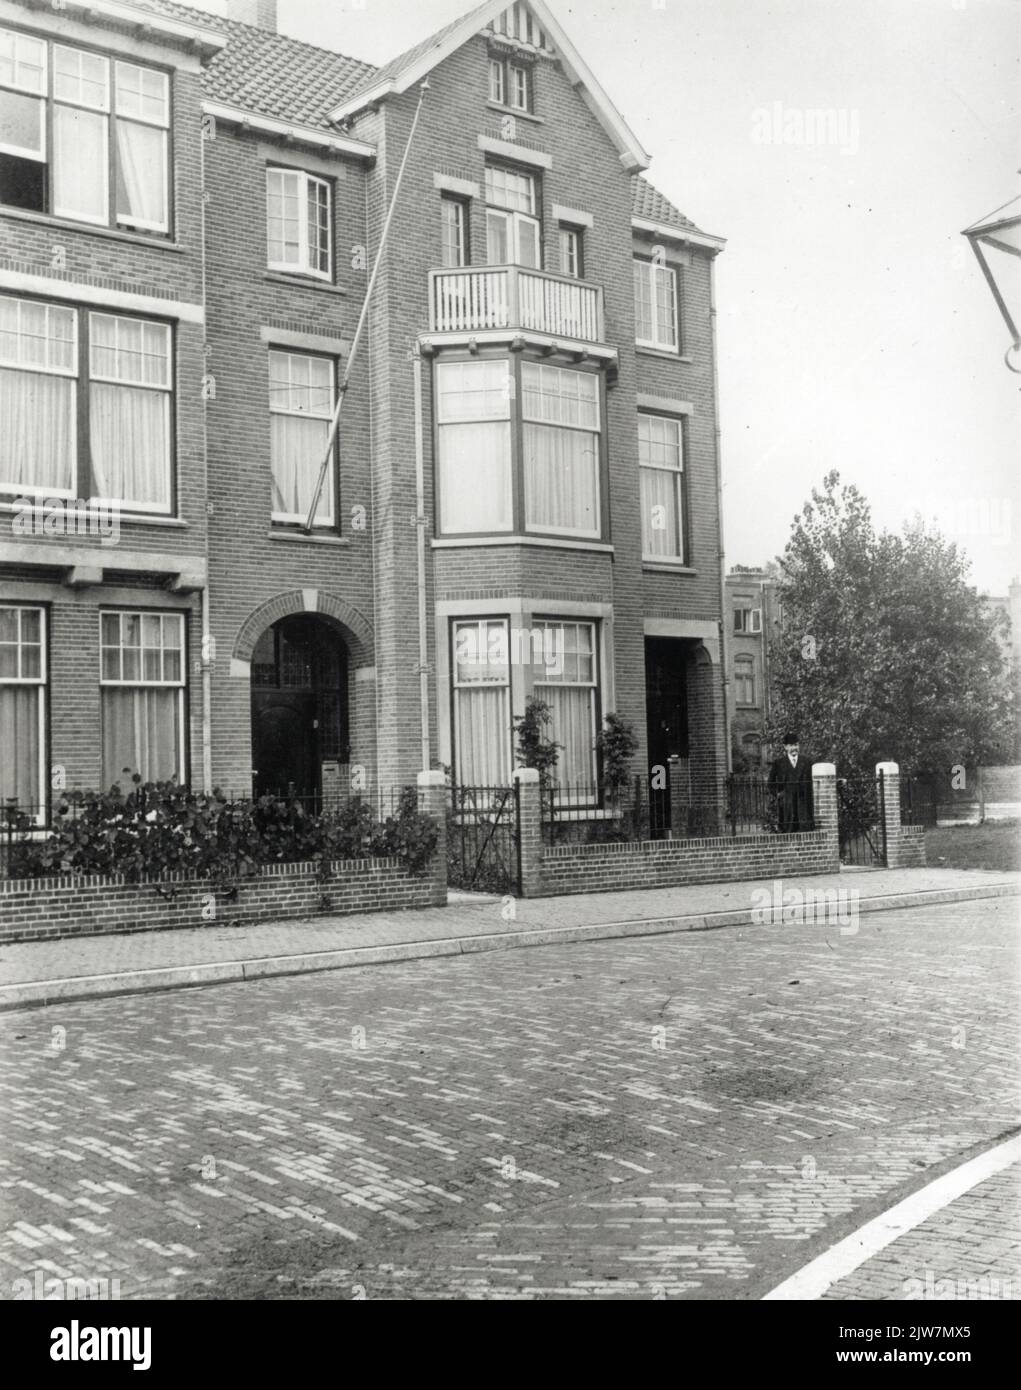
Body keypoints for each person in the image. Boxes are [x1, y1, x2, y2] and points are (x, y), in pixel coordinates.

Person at [767, 732, 814, 831]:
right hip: (786, 806)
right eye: (791, 745)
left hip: (803, 804)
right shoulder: (778, 763)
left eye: (796, 745)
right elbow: (770, 783)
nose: (794, 748)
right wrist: (779, 795)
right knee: (788, 831)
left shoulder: (807, 762)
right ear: (785, 747)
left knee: (805, 832)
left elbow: (816, 779)